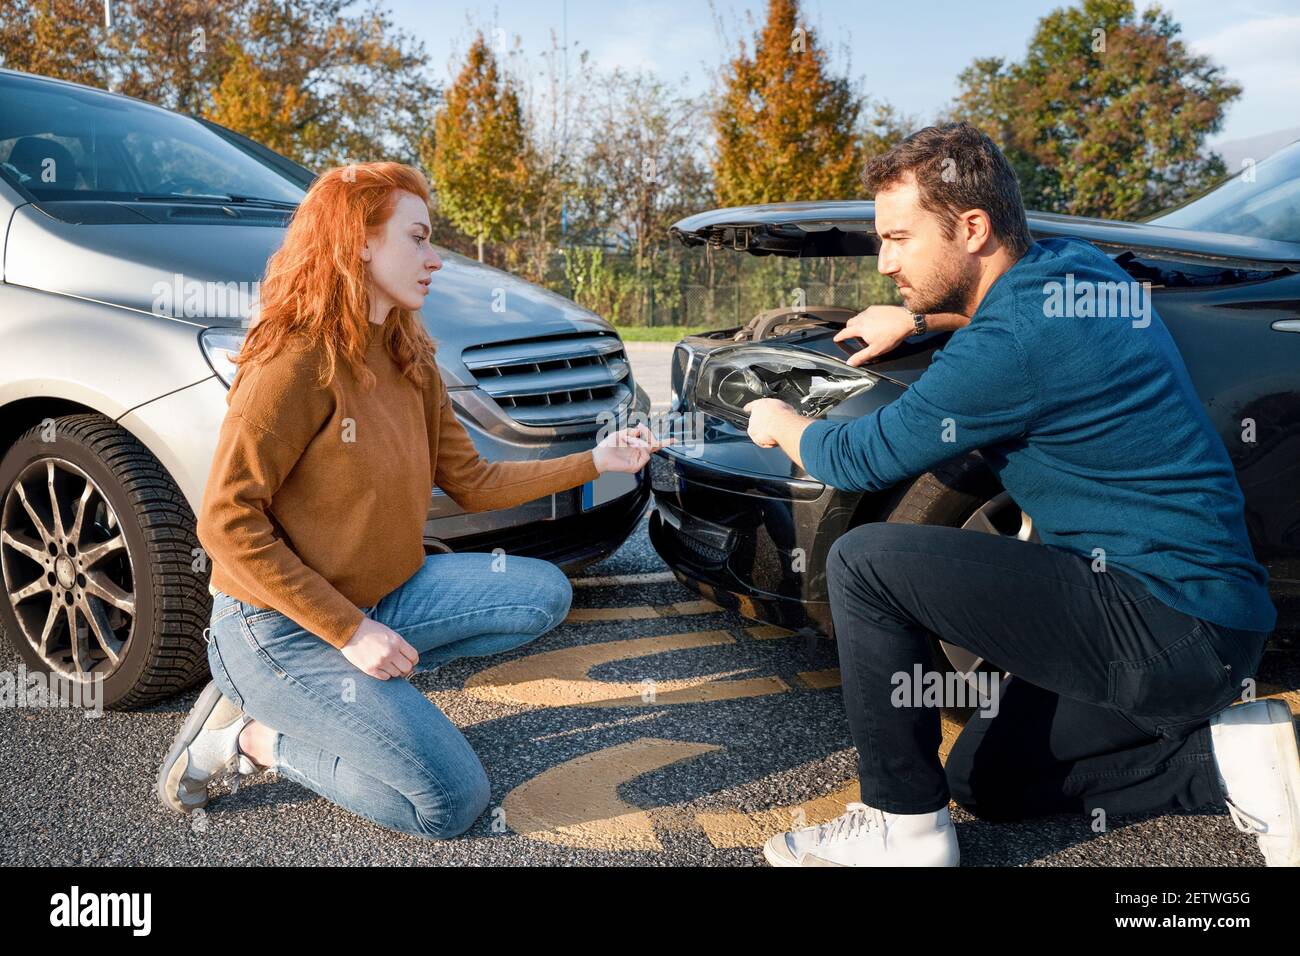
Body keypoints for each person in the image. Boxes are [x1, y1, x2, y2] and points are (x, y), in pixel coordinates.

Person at [742, 123, 1297, 867]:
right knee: (987, 780)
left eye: (900, 239)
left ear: (972, 228)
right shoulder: (1076, 265)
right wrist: (918, 316)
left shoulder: (1010, 345)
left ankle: (901, 827)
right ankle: (1223, 765)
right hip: (1206, 626)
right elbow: (1004, 314)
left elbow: (859, 458)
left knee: (864, 562)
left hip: (1161, 622)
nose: (884, 262)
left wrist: (778, 420)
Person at [156, 161, 668, 840]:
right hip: (275, 625)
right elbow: (225, 524)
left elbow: (473, 481)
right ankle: (254, 737)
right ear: (359, 241)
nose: (434, 259)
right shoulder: (294, 360)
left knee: (543, 594)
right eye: (418, 238)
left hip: (384, 596)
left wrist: (597, 462)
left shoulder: (409, 355)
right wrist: (350, 633)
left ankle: (351, 704)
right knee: (450, 802)